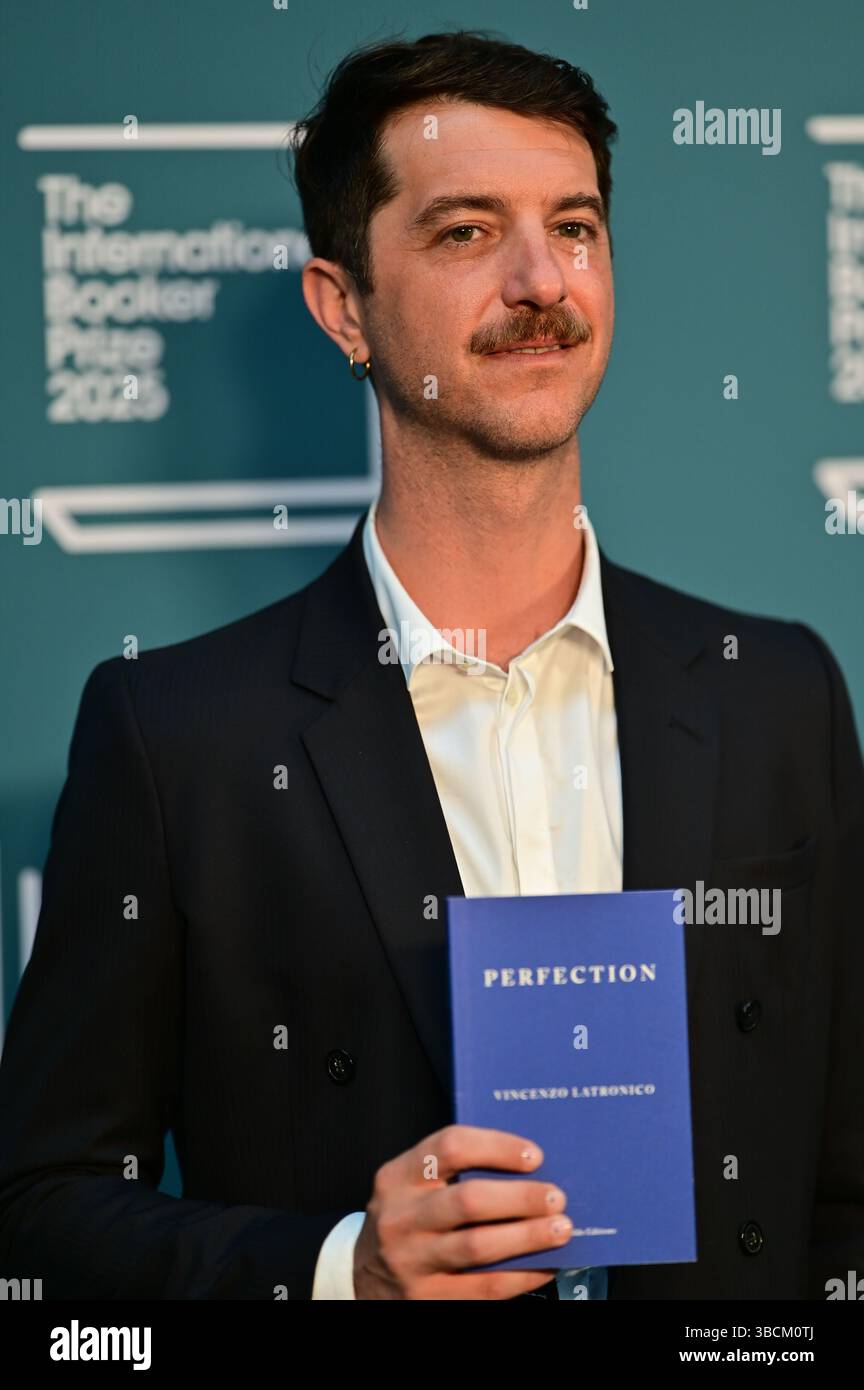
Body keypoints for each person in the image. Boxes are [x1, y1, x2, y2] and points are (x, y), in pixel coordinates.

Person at [0, 30, 861, 1301]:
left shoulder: (776, 691)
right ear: (343, 307)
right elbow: (46, 1205)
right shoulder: (178, 735)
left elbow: (843, 1179)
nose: (539, 280)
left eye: (573, 227)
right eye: (465, 232)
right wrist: (343, 1269)